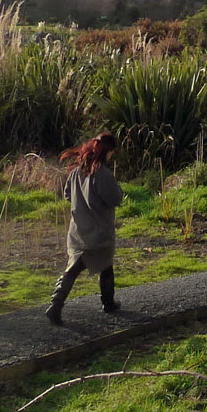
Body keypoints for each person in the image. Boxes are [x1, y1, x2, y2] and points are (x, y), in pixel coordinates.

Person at [46, 132, 123, 325]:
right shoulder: (103, 174)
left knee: (76, 268)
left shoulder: (76, 172)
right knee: (104, 264)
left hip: (78, 230)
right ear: (109, 151)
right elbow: (115, 198)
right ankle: (106, 303)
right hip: (99, 232)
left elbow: (67, 195)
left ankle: (57, 303)